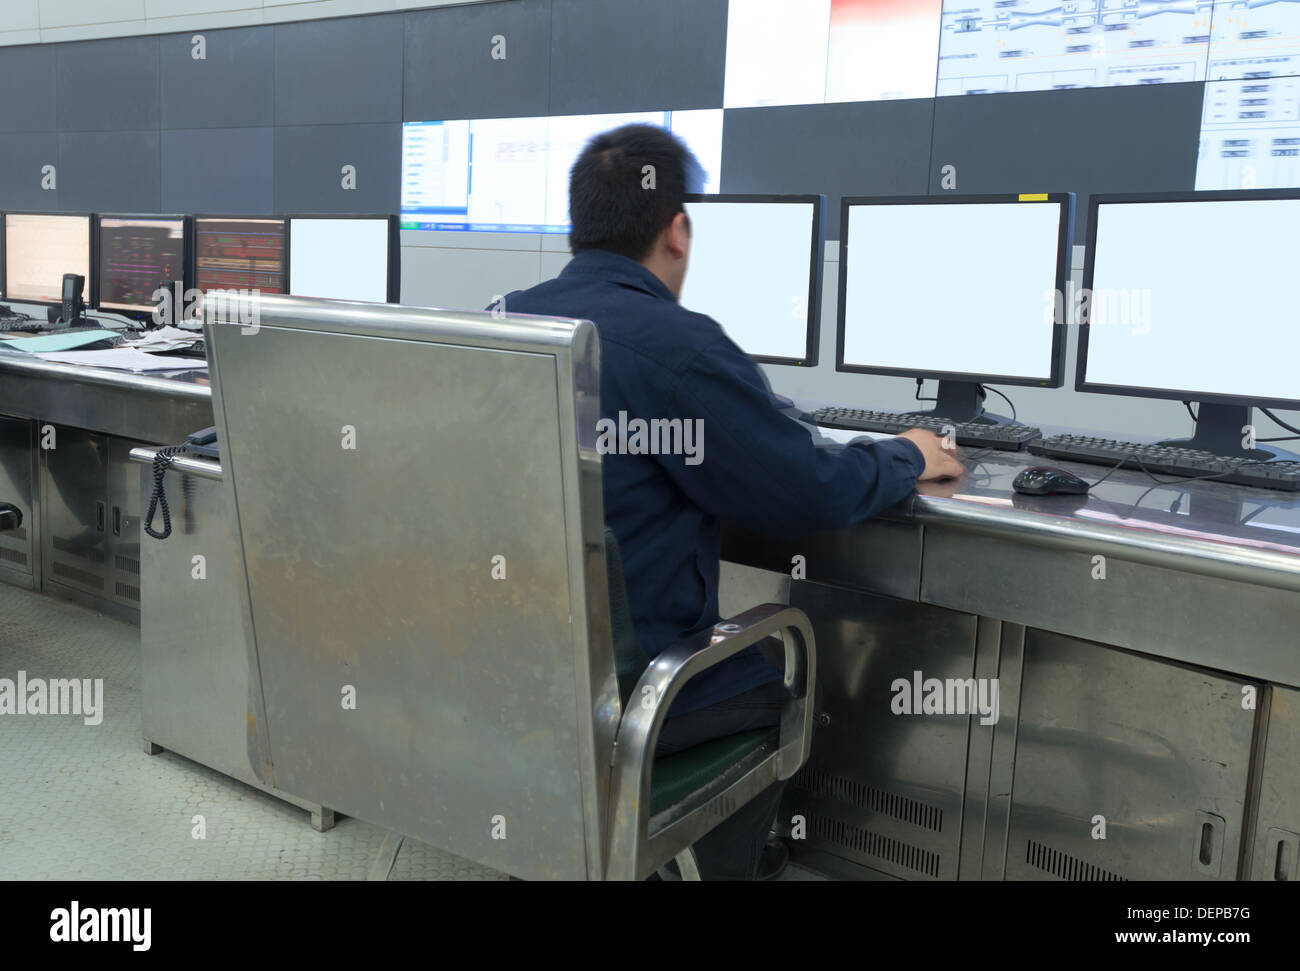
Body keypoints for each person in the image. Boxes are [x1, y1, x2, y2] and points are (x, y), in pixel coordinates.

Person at [501, 124, 964, 880]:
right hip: (637, 692)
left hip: (518, 669)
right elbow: (804, 487)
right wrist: (909, 453)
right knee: (783, 670)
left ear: (578, 227)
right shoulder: (676, 346)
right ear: (676, 230)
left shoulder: (505, 322)